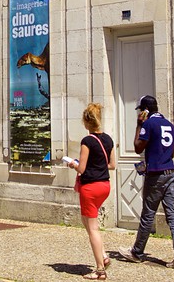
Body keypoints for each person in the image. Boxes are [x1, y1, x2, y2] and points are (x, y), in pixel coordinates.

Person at [118, 94, 174, 270]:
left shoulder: (148, 124)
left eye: (141, 110)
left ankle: (137, 252)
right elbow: (171, 152)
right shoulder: (170, 125)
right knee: (172, 215)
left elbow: (137, 147)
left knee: (148, 214)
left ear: (145, 110)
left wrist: (139, 124)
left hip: (156, 174)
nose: (140, 113)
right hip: (170, 172)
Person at [69, 102, 117, 280]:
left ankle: (100, 270)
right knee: (86, 220)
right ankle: (103, 256)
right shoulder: (108, 139)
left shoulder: (87, 141)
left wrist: (73, 164)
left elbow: (81, 168)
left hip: (90, 187)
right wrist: (97, 165)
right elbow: (112, 165)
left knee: (93, 228)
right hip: (104, 185)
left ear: (86, 122)